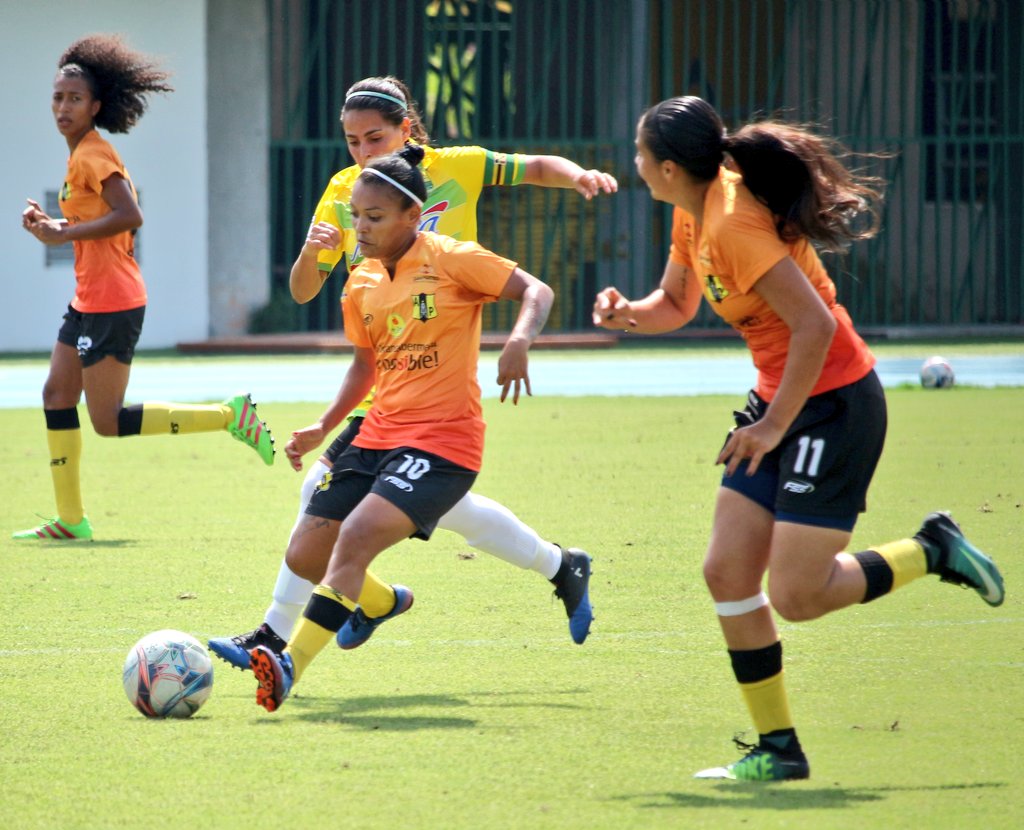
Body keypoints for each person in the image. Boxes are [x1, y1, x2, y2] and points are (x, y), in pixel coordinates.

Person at [593, 96, 1005, 781]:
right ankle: (779, 749)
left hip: (834, 404)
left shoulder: (732, 221)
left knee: (798, 595)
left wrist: (772, 427)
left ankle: (932, 550)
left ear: (667, 167)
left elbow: (815, 326)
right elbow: (677, 303)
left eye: (639, 154)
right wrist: (627, 315)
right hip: (778, 405)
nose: (634, 164)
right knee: (726, 571)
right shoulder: (692, 209)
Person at [209, 75, 613, 662]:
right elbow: (303, 290)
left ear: (406, 130)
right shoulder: (345, 190)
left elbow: (534, 167)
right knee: (425, 506)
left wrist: (578, 175)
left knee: (354, 501)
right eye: (352, 141)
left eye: (374, 137)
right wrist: (311, 252)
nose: (363, 152)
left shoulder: (458, 166)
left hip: (436, 372)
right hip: (384, 371)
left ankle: (292, 630)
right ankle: (554, 566)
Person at [250, 144, 554, 711]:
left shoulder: (453, 257)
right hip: (377, 436)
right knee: (305, 555)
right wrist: (322, 426)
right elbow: (364, 366)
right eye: (356, 216)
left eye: (374, 217)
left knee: (355, 538)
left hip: (443, 441)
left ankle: (289, 662)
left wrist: (518, 340)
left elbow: (537, 290)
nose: (360, 228)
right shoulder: (361, 281)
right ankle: (382, 602)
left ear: (414, 216)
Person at [15, 34, 275, 542]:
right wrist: (53, 226)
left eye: (74, 99)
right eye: (57, 97)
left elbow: (130, 215)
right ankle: (71, 520)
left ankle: (230, 416)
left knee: (108, 421)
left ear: (95, 106)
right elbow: (95, 222)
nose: (63, 107)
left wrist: (63, 234)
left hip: (113, 299)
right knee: (56, 393)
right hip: (88, 297)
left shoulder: (93, 154)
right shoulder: (80, 155)